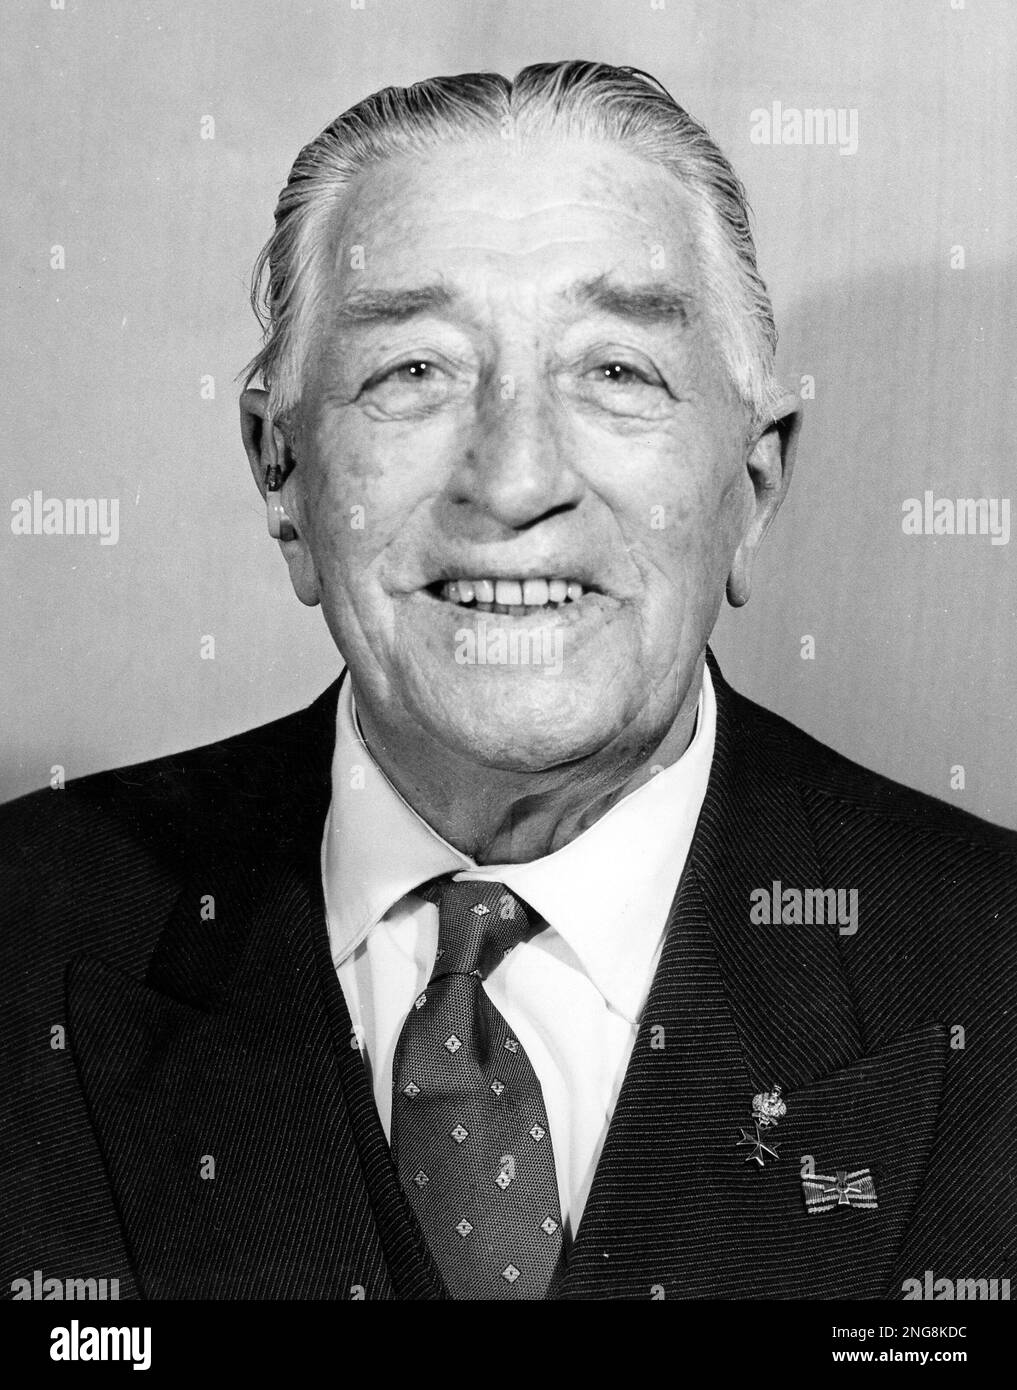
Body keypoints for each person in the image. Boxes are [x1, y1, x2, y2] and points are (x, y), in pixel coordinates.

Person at [2, 61, 1014, 1302]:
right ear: (281, 470)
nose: (515, 476)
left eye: (616, 372)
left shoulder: (988, 968)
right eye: (413, 373)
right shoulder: (24, 934)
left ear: (753, 485)